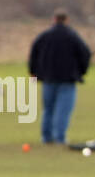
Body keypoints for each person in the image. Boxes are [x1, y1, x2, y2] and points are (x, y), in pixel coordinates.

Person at [28, 9, 91, 146]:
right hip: (67, 79)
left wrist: (33, 72)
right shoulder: (73, 36)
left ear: (54, 19)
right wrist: (81, 71)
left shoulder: (44, 36)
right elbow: (85, 53)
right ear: (67, 20)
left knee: (48, 109)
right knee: (63, 109)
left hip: (48, 78)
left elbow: (34, 53)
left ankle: (46, 137)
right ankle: (60, 138)